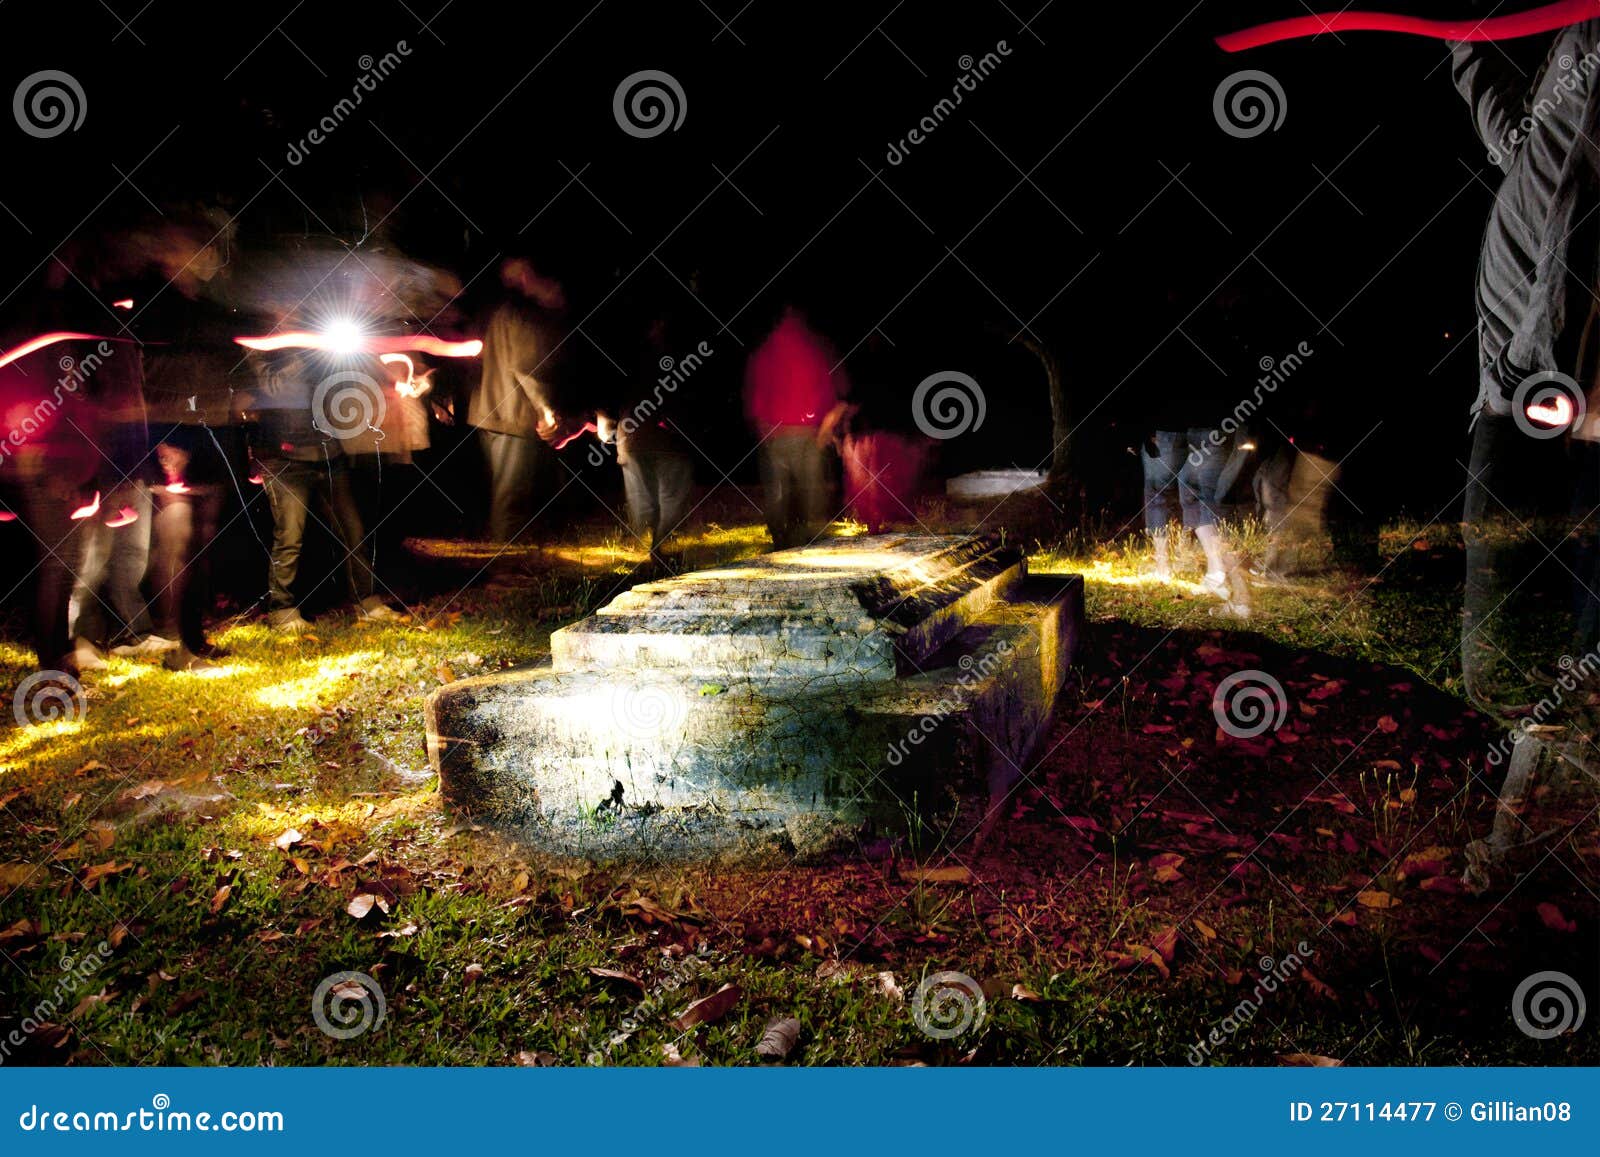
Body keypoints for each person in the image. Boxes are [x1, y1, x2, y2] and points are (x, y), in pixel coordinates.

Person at [1448, 26, 1600, 713]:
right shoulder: (1543, 119)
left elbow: (1570, 213)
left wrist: (1524, 371)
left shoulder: (1590, 50)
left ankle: (1534, 685)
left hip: (1529, 378)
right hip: (1513, 373)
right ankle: (1528, 678)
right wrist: (1464, 45)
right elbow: (1510, 133)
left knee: (1521, 525)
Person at [242, 345, 400, 632]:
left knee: (352, 529)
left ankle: (367, 601)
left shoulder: (318, 344)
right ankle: (282, 611)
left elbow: (346, 379)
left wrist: (390, 378)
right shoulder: (260, 347)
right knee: (289, 536)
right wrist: (306, 353)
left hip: (327, 454)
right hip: (283, 458)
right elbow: (274, 387)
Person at [142, 302, 247, 670]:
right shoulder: (158, 302)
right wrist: (162, 441)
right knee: (177, 545)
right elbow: (149, 374)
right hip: (175, 433)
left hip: (212, 432)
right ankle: (174, 645)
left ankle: (193, 638)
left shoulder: (213, 305)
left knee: (201, 545)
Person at [1138, 287, 1252, 617]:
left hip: (1197, 426)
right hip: (1211, 426)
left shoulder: (1178, 334)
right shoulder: (1223, 330)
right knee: (1198, 494)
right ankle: (1221, 576)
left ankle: (1230, 586)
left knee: (1191, 495)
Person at [467, 259, 567, 545]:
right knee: (512, 496)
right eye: (554, 287)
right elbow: (526, 369)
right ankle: (505, 569)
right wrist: (547, 412)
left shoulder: (500, 311)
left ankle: (511, 560)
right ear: (529, 277)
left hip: (491, 412)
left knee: (508, 493)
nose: (558, 295)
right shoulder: (524, 314)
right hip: (510, 416)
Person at [743, 306, 848, 548]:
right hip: (808, 432)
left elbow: (757, 397)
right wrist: (824, 428)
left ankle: (781, 537)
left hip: (776, 433)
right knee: (810, 486)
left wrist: (764, 430)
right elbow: (830, 390)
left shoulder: (765, 352)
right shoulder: (815, 348)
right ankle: (809, 533)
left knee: (778, 489)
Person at [604, 317, 699, 570]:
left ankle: (650, 543)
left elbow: (619, 399)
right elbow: (674, 402)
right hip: (660, 441)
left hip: (641, 439)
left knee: (651, 497)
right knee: (669, 497)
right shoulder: (672, 361)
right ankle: (656, 545)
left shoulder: (635, 362)